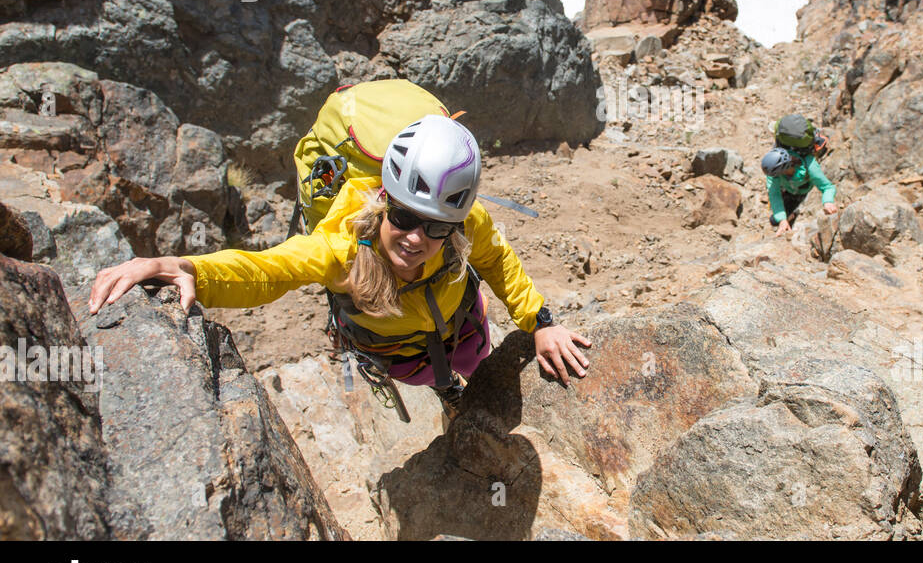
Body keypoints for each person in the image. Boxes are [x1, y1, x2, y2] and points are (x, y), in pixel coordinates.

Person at [88, 115, 591, 413]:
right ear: (385, 201)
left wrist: (540, 323)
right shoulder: (342, 248)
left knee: (474, 364)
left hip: (463, 327)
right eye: (404, 217)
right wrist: (189, 269)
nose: (417, 238)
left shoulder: (466, 223)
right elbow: (268, 270)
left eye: (436, 227)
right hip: (399, 354)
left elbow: (498, 260)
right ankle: (444, 390)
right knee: (437, 378)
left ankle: (458, 387)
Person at [761, 146, 838, 236]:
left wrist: (828, 202)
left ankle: (793, 213)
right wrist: (782, 220)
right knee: (774, 220)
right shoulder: (774, 172)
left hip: (803, 191)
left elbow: (827, 187)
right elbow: (774, 194)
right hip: (789, 190)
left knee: (779, 218)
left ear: (783, 170)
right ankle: (791, 215)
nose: (773, 177)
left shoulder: (809, 165)